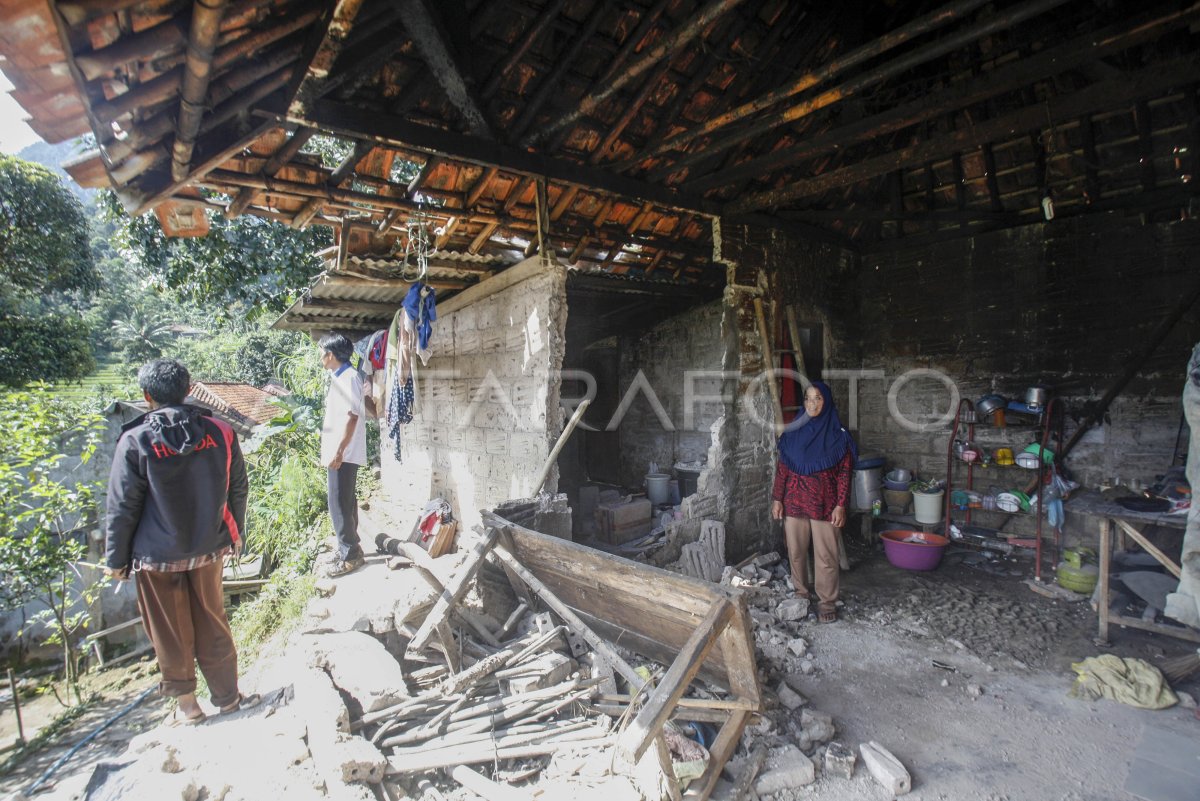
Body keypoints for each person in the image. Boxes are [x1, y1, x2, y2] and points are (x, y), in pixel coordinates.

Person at [105, 358, 254, 724]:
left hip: (156, 557)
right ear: (189, 390)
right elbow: (237, 487)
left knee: (169, 630)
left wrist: (116, 559)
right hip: (210, 546)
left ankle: (188, 707)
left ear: (146, 396)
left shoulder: (135, 441)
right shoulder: (220, 432)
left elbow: (123, 505)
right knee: (213, 620)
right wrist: (236, 536)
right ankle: (228, 697)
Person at [771, 381, 857, 623]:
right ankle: (801, 592)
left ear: (826, 401)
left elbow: (844, 474)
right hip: (794, 502)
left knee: (826, 556)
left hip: (825, 504)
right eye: (808, 398)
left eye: (818, 398)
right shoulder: (792, 433)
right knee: (796, 552)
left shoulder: (838, 437)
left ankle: (827, 601)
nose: (812, 403)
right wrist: (777, 498)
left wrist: (841, 504)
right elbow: (782, 470)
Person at [319, 333, 367, 577]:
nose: (321, 358)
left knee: (338, 503)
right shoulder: (340, 377)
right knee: (345, 501)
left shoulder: (348, 378)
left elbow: (352, 417)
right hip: (341, 452)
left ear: (331, 355)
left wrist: (339, 451)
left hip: (344, 453)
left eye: (323, 353)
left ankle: (349, 555)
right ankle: (351, 549)